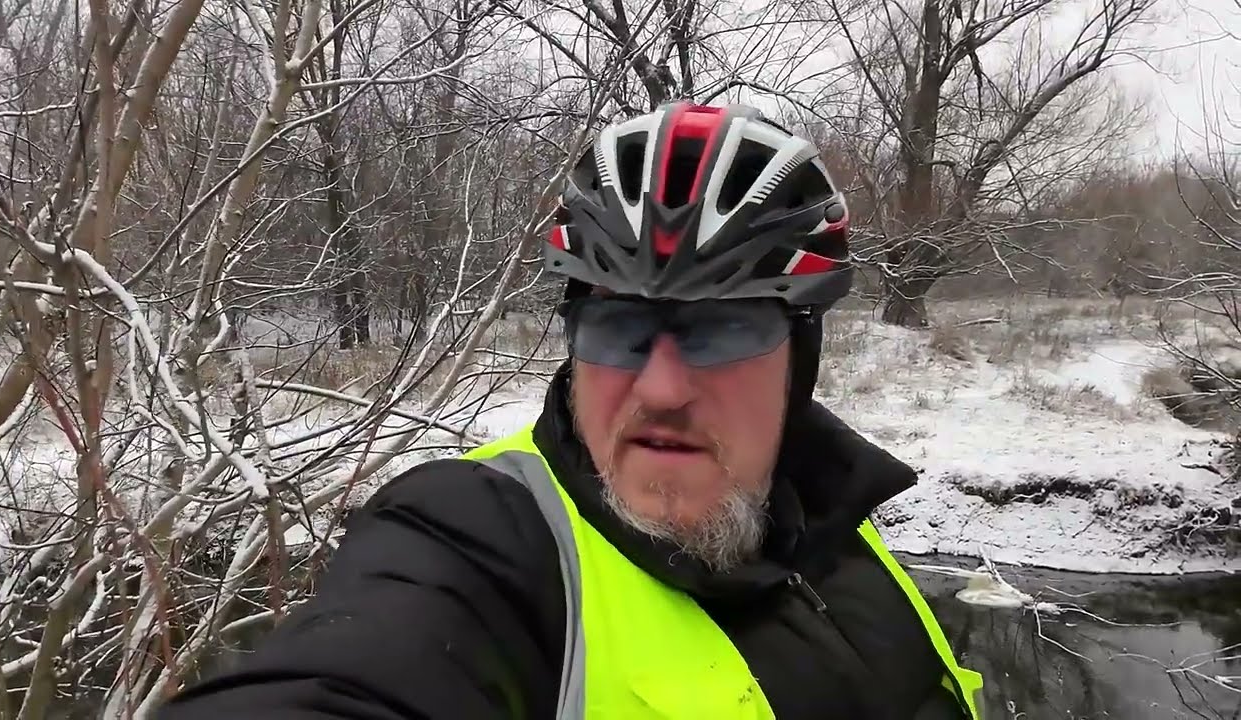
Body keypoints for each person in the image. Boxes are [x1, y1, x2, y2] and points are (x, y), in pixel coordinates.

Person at [158, 102, 984, 719]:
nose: (660, 389)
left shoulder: (832, 517)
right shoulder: (481, 536)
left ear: (798, 359)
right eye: (622, 327)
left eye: (723, 328)